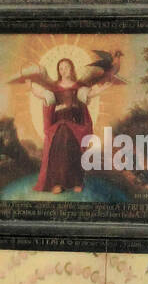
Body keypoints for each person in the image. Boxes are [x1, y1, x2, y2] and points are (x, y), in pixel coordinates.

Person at [30, 57, 100, 194]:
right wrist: (30, 87)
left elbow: (89, 94)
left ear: (71, 68)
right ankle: (58, 183)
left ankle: (77, 181)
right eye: (61, 68)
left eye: (66, 67)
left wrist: (104, 87)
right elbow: (43, 96)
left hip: (75, 123)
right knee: (60, 145)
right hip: (59, 124)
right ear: (58, 71)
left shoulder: (79, 86)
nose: (63, 70)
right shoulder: (54, 88)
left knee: (74, 150)